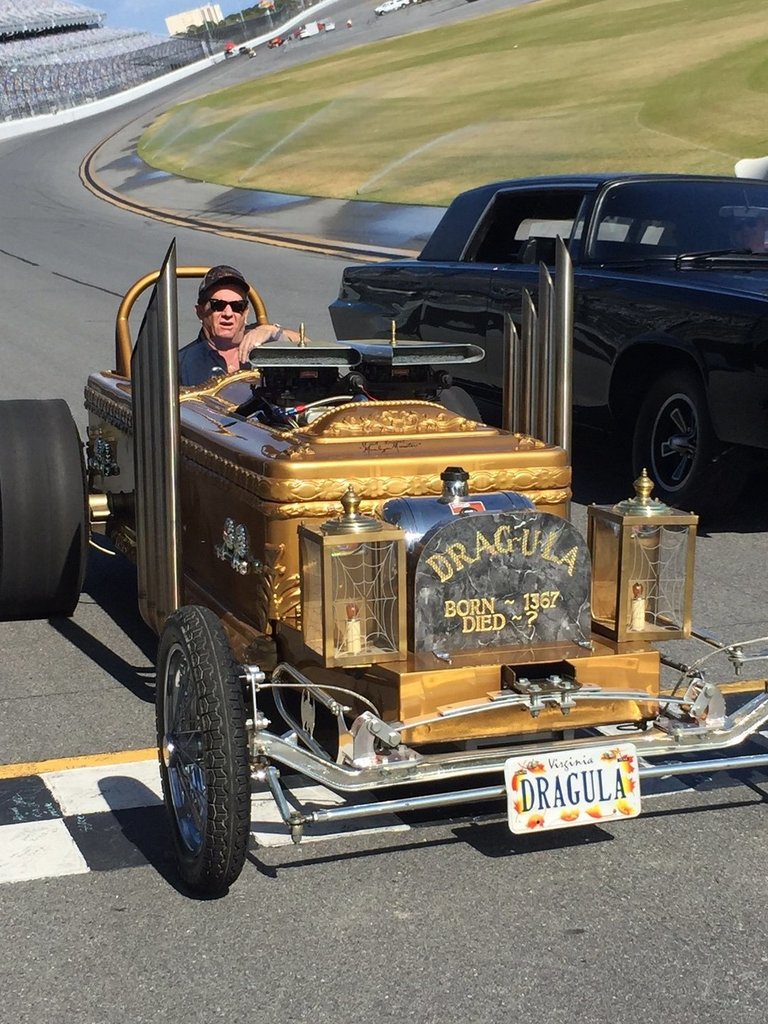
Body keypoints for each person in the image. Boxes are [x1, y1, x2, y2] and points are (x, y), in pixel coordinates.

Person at [178, 264, 303, 386]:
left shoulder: (264, 343)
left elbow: (314, 357)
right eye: (218, 305)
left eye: (237, 306)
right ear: (200, 311)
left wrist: (273, 331)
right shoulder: (181, 365)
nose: (228, 313)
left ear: (245, 312)